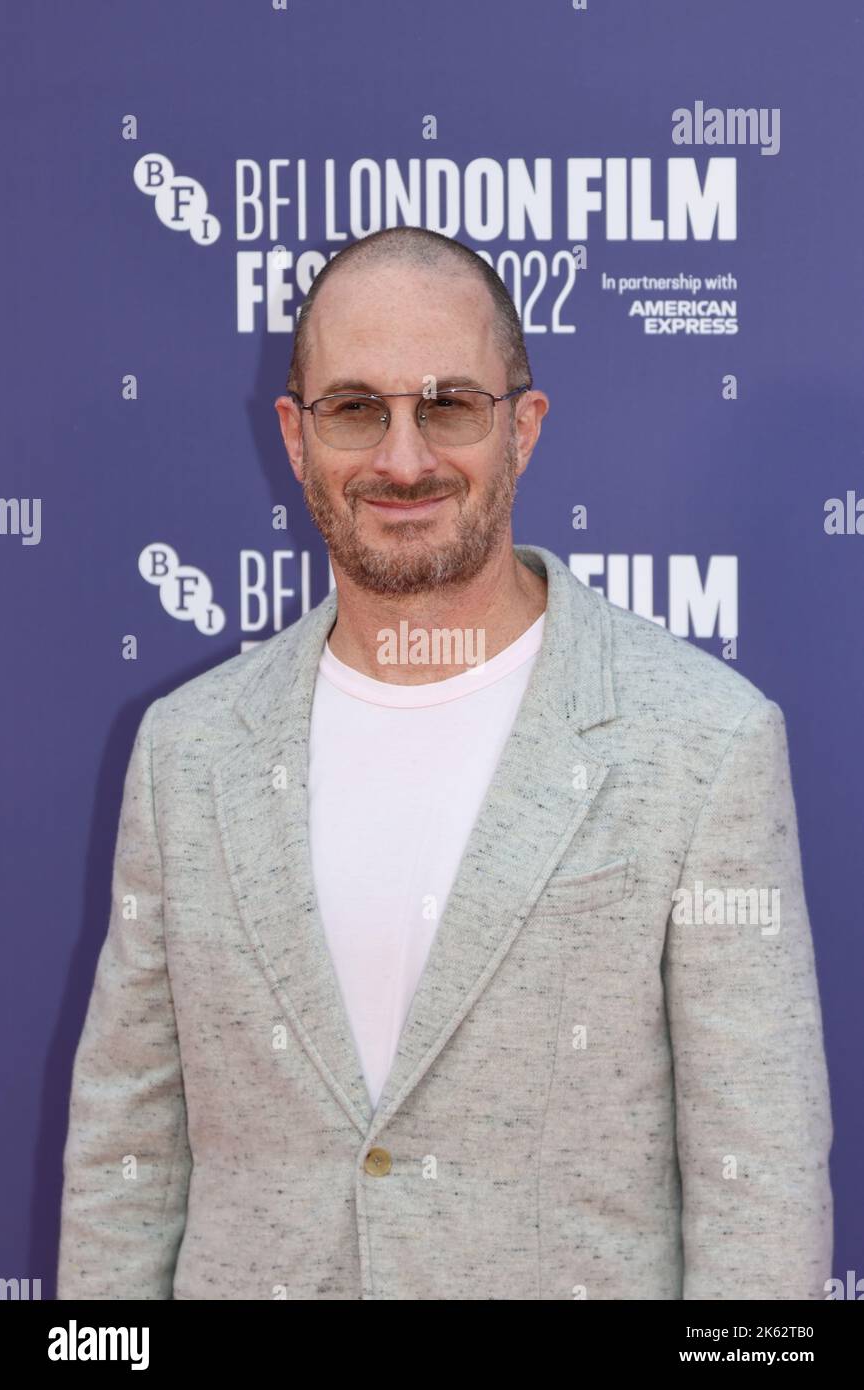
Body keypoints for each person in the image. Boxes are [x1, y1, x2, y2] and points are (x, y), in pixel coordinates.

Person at [57, 226, 833, 1300]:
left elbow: (761, 1194)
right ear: (293, 434)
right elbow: (121, 1162)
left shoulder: (702, 741)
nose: (403, 457)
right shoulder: (185, 752)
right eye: (355, 408)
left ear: (524, 426)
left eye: (449, 405)